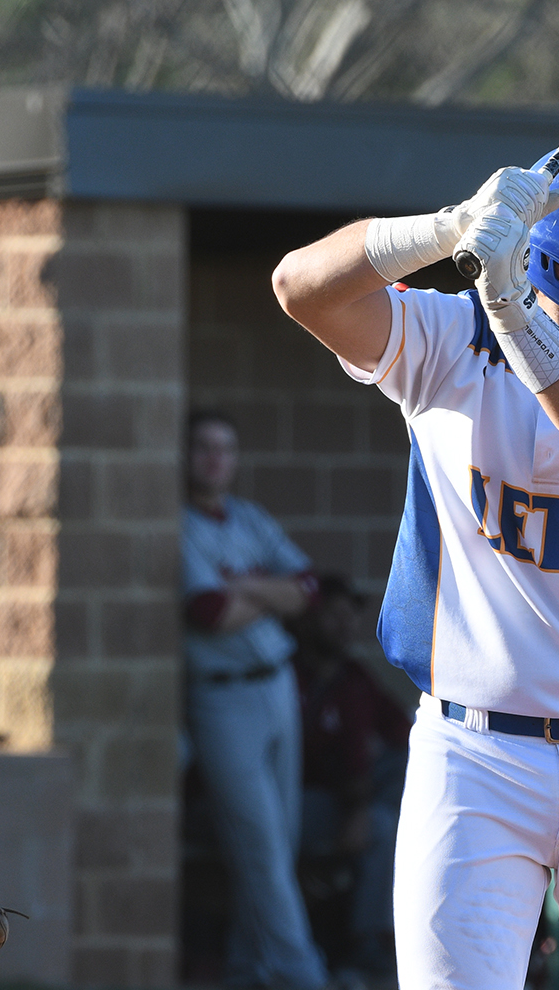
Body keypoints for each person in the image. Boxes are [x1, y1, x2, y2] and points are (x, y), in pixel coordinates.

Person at [272, 140, 559, 990]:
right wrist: (448, 228)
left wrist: (516, 311)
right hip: (473, 759)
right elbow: (299, 287)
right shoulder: (451, 337)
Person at [181, 410, 330, 990]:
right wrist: (274, 592)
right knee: (262, 850)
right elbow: (210, 612)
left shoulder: (249, 518)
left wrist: (243, 586)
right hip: (223, 697)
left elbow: (311, 589)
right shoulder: (177, 523)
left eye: (225, 448)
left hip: (276, 685)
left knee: (279, 843)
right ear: (185, 455)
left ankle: (250, 968)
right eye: (203, 446)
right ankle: (303, 975)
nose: (214, 458)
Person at [290, 575, 411, 978]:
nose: (345, 625)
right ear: (309, 619)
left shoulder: (354, 677)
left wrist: (362, 803)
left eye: (351, 615)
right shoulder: (285, 674)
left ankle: (345, 885)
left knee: (412, 764)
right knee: (379, 827)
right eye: (334, 614)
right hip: (295, 802)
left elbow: (402, 731)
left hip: (347, 801)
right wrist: (358, 810)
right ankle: (367, 941)